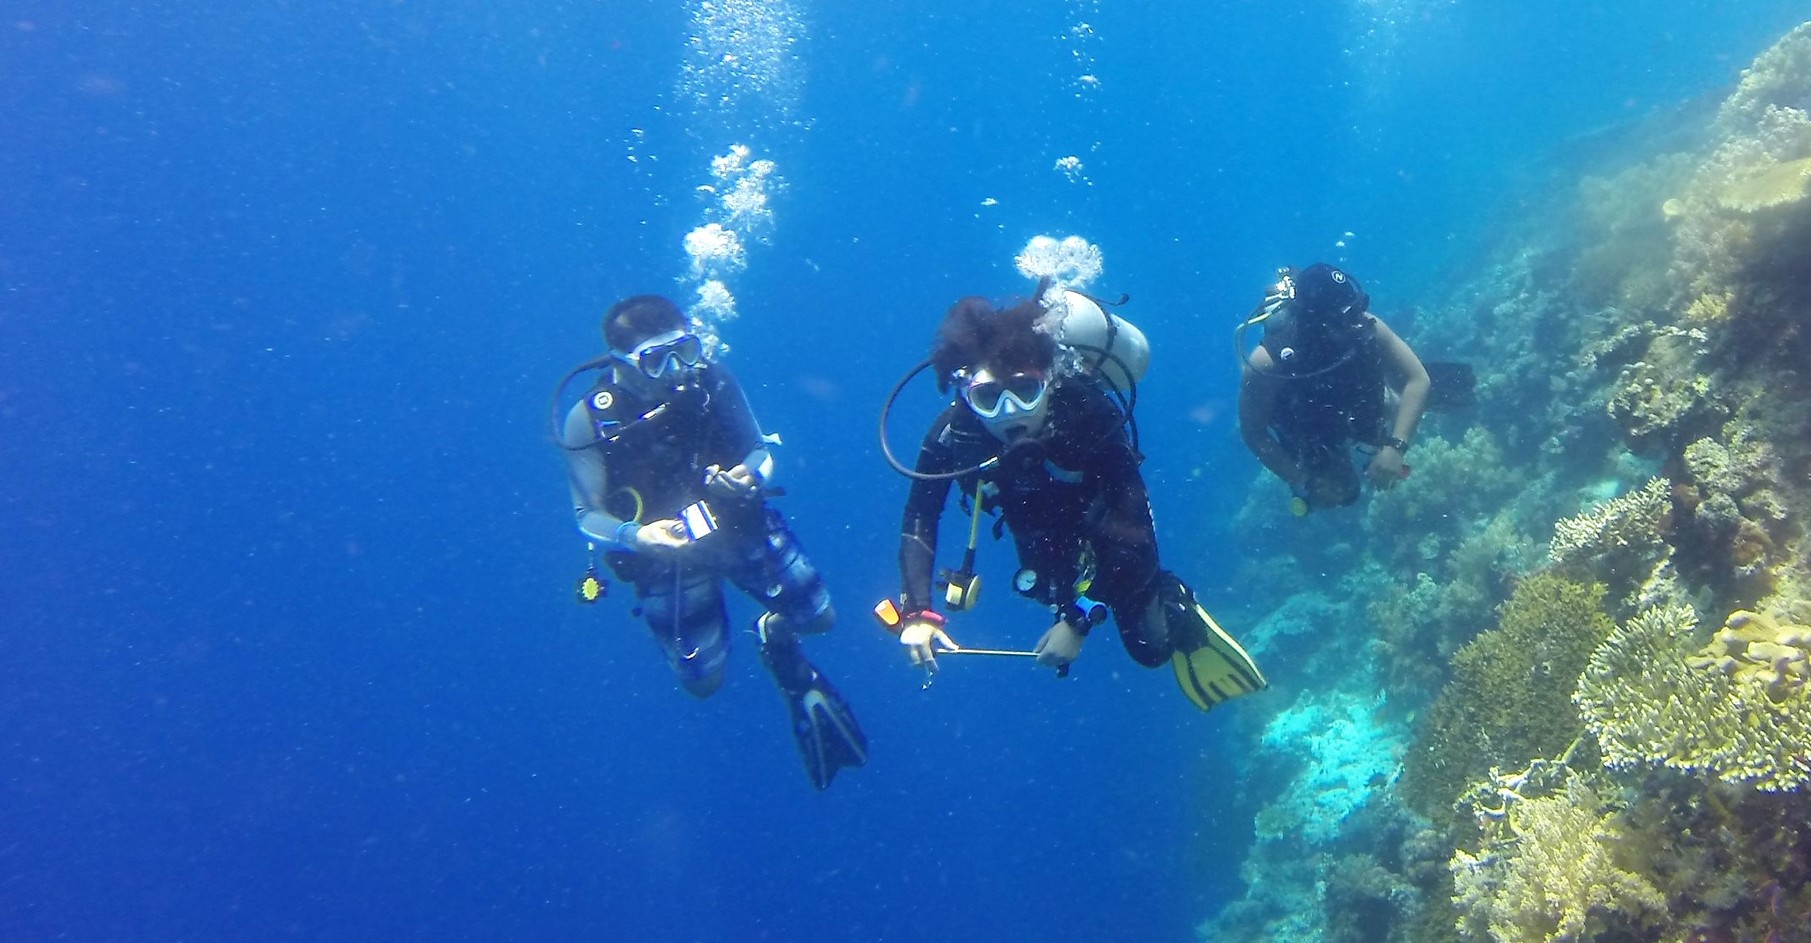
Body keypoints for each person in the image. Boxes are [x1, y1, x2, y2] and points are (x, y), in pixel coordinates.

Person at [891, 285, 1267, 711]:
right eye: (989, 398)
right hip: (1033, 523)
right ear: (966, 394)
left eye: (1025, 391)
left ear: (1049, 381)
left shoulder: (1089, 415)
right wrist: (918, 612)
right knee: (1051, 589)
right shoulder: (953, 435)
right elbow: (920, 516)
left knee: (1150, 646)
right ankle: (1080, 597)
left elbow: (1134, 526)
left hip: (1109, 520)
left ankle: (1176, 606)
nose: (1010, 411)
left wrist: (1080, 618)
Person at [555, 294, 867, 788]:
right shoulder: (589, 419)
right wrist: (636, 536)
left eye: (685, 351)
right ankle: (778, 659)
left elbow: (759, 451)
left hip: (736, 521)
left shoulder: (711, 379)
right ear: (621, 364)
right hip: (664, 557)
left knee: (822, 619)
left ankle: (781, 651)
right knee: (704, 683)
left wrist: (749, 479)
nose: (676, 370)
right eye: (657, 360)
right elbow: (584, 514)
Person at [1237, 263, 1433, 512]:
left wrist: (1397, 446)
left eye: (1358, 310)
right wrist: (1300, 479)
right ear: (1314, 322)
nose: (1356, 323)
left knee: (1396, 406)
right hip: (1309, 426)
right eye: (1344, 319)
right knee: (1340, 494)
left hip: (1356, 400)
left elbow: (1418, 379)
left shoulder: (1365, 323)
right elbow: (1254, 432)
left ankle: (1380, 420)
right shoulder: (1269, 362)